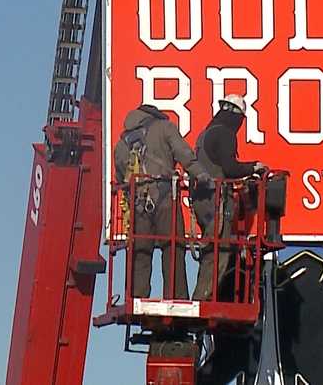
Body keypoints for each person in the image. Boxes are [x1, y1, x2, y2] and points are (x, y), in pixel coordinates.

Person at [113, 103, 199, 299]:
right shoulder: (165, 128)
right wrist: (202, 177)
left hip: (138, 204)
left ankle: (136, 295)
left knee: (140, 250)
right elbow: (185, 155)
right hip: (165, 198)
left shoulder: (122, 142)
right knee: (173, 247)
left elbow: (120, 177)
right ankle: (176, 296)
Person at [190, 94, 267, 301]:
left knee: (210, 249)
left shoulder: (206, 133)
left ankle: (201, 296)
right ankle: (202, 299)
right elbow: (230, 167)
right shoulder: (224, 134)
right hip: (215, 200)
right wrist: (254, 167)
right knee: (220, 250)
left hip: (201, 199)